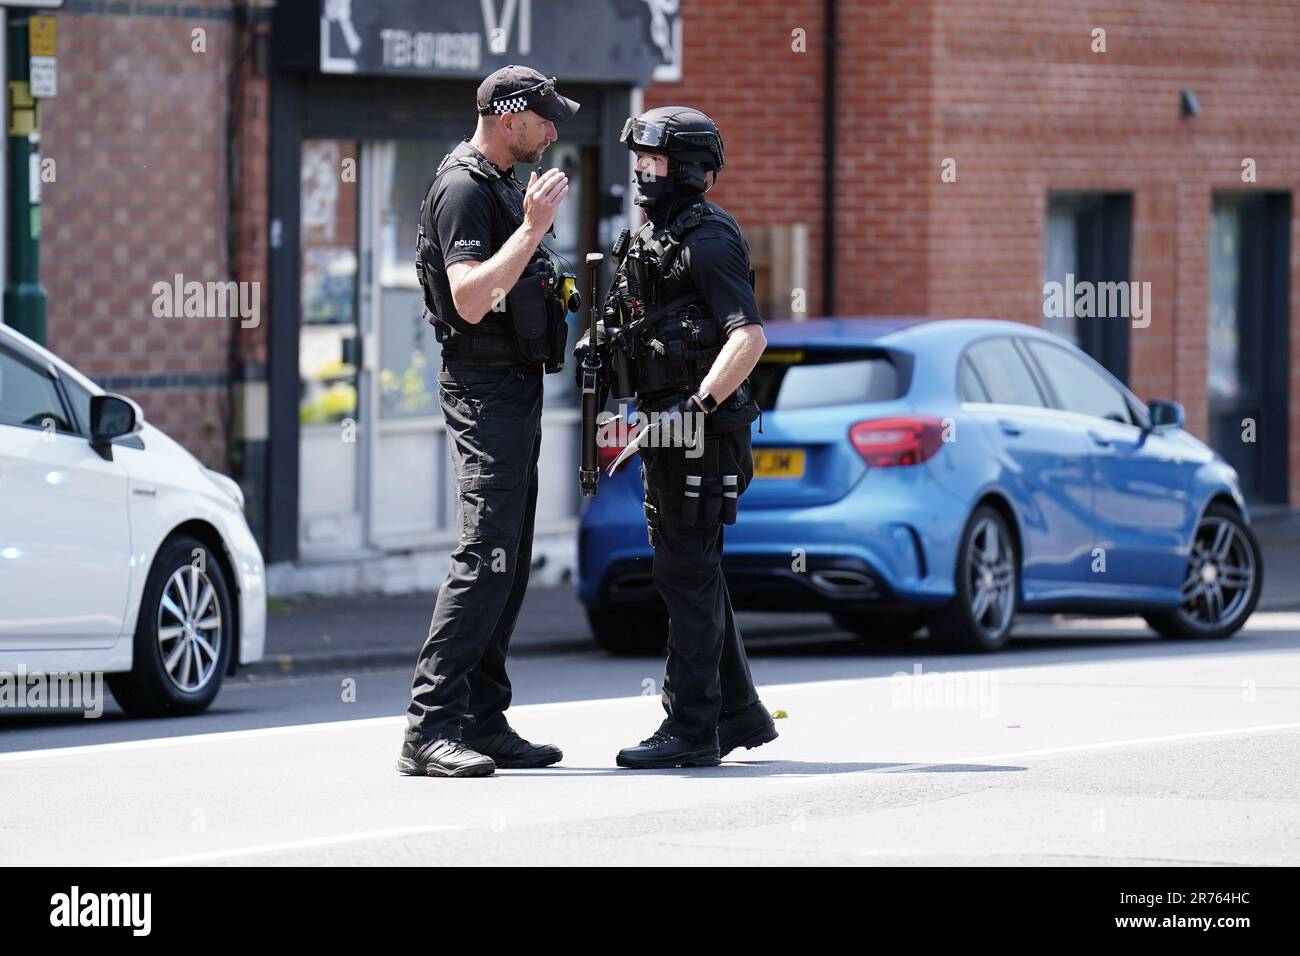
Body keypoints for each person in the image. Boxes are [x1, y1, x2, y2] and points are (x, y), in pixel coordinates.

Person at [578, 106, 779, 768]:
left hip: (699, 434)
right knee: (694, 576)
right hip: (665, 432)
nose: (641, 170)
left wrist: (696, 405)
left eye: (654, 160)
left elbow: (747, 336)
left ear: (688, 170)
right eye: (638, 158)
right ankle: (738, 714)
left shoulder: (709, 239)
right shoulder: (650, 237)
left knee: (683, 576)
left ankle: (690, 728)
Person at [398, 66, 578, 778]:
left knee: (509, 553)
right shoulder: (467, 187)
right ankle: (429, 728)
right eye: (544, 119)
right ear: (510, 119)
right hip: (482, 386)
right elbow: (470, 299)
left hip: (513, 385)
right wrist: (533, 230)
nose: (553, 130)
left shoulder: (501, 179)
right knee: (485, 554)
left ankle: (483, 718)